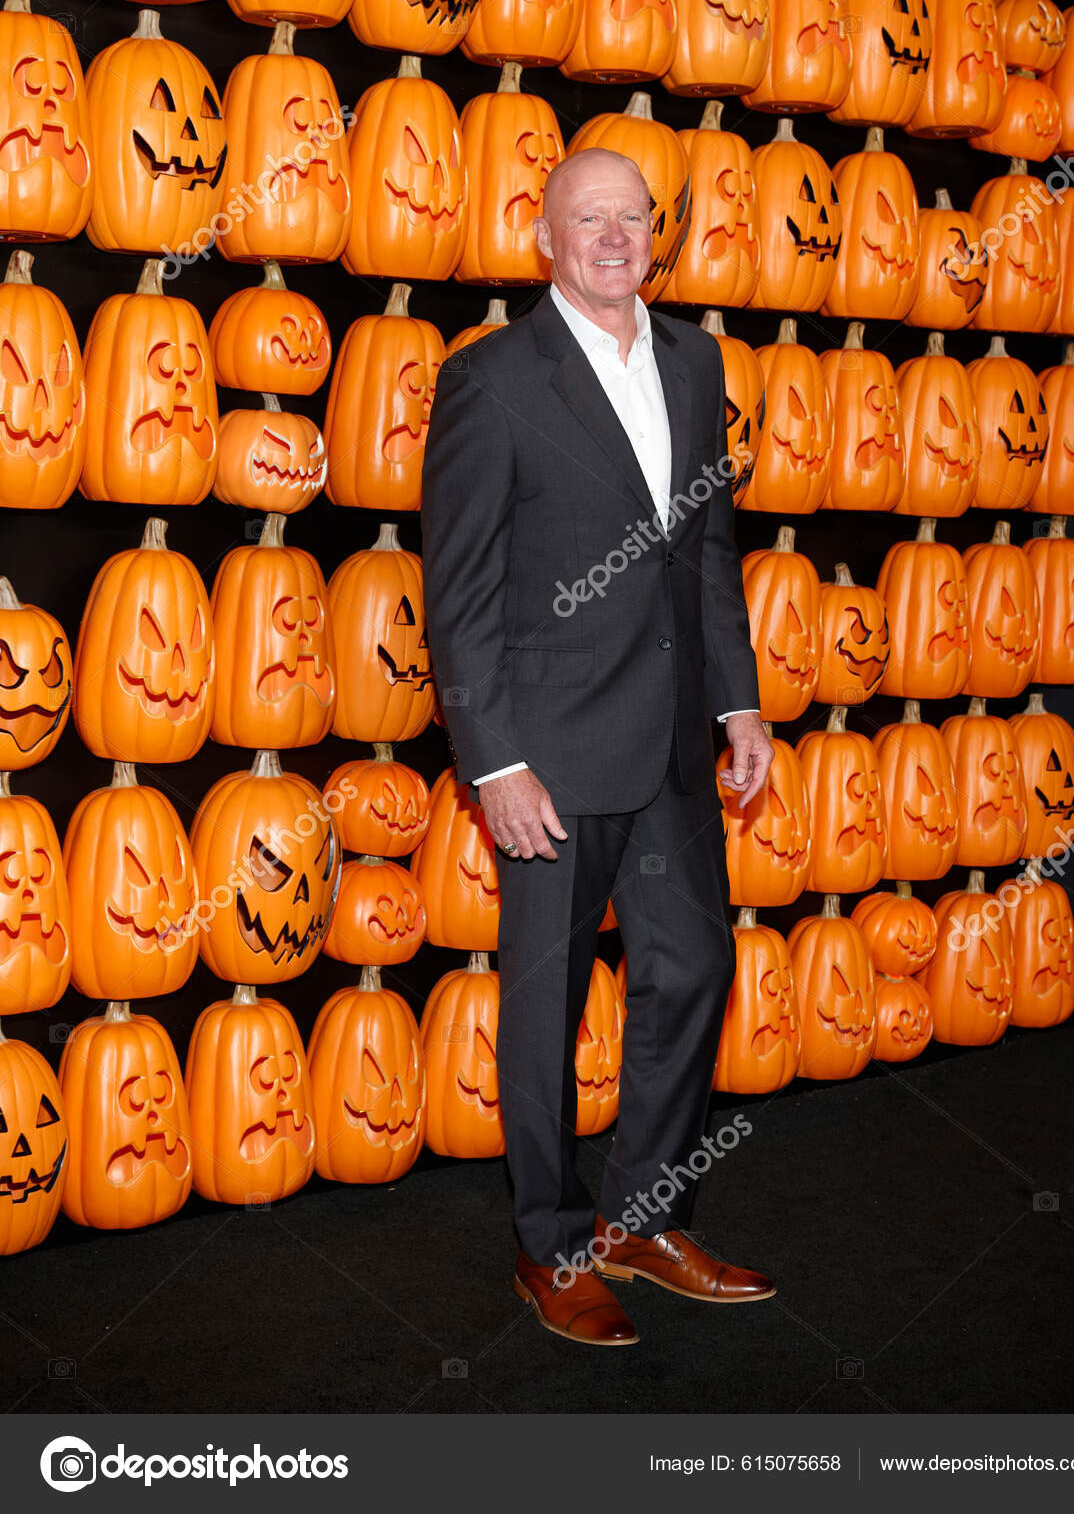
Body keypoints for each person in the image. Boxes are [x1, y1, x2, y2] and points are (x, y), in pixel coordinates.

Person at [420, 147, 776, 1348]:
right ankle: (552, 1243)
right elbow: (459, 591)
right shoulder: (489, 378)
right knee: (548, 1007)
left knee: (695, 968)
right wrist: (493, 759)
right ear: (545, 237)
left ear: (654, 235)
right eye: (589, 218)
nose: (614, 237)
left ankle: (644, 1216)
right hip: (550, 756)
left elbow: (707, 548)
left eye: (632, 217)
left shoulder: (695, 360)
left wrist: (738, 703)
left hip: (672, 739)